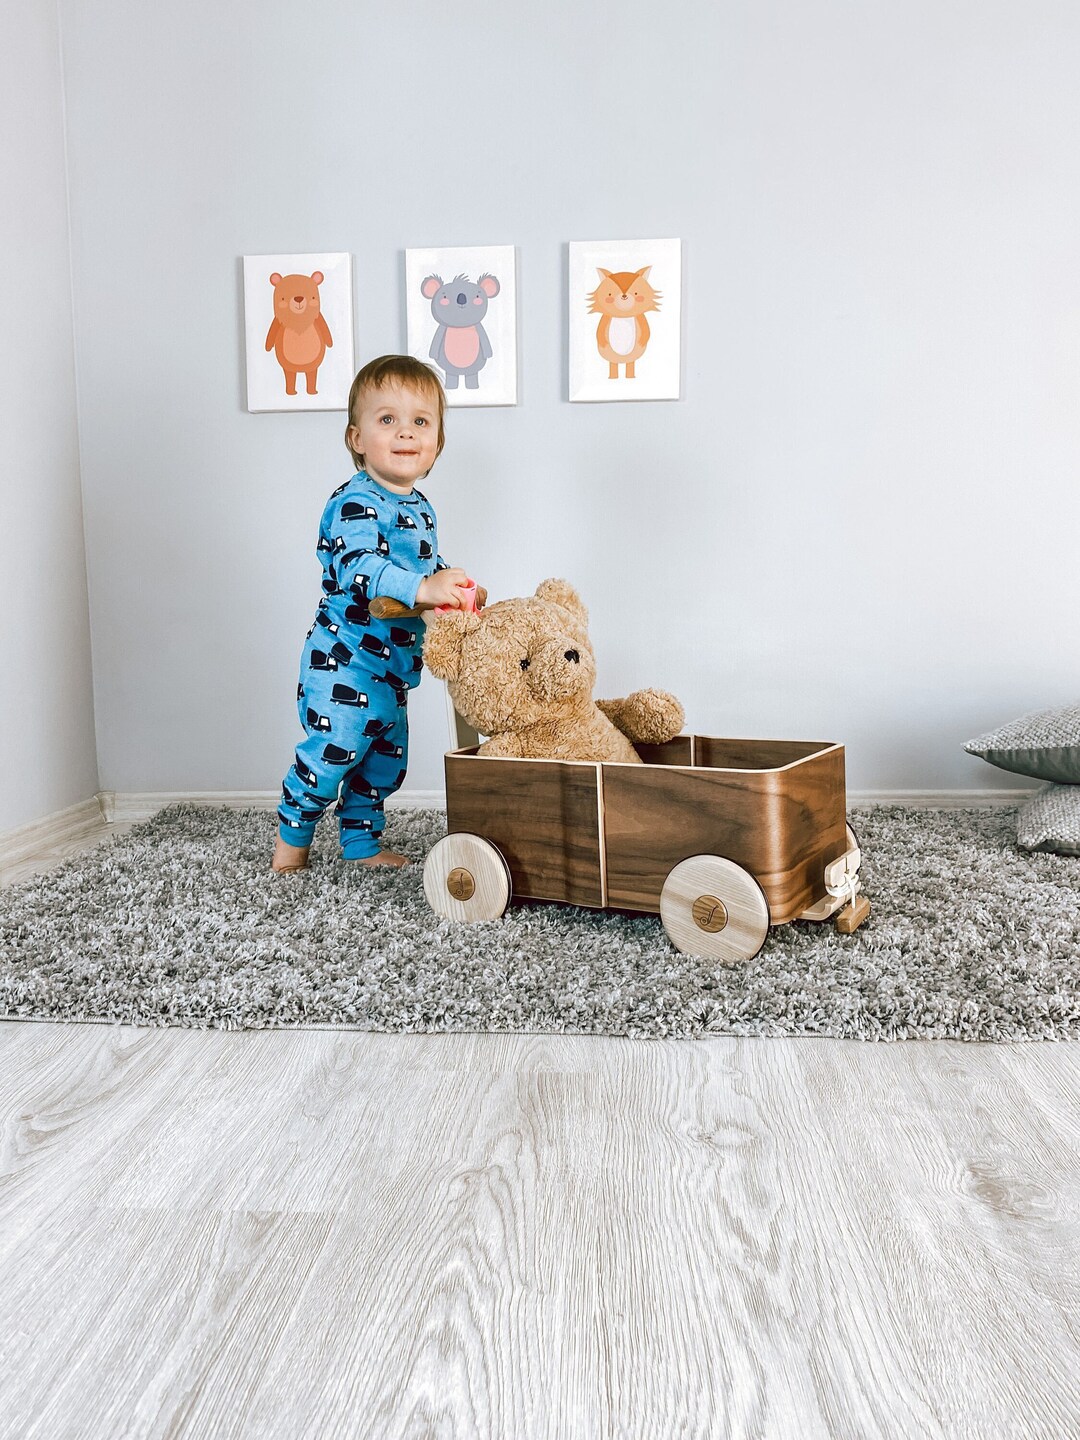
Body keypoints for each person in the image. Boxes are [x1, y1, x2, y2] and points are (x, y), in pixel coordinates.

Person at [271, 354, 475, 872]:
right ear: (357, 438)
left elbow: (421, 566)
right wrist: (424, 587)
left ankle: (361, 844)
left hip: (393, 669)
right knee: (335, 749)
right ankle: (291, 845)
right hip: (343, 661)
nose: (405, 432)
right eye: (387, 419)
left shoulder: (420, 507)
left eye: (420, 421)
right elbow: (360, 567)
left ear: (437, 443)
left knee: (385, 761)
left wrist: (451, 588)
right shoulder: (354, 503)